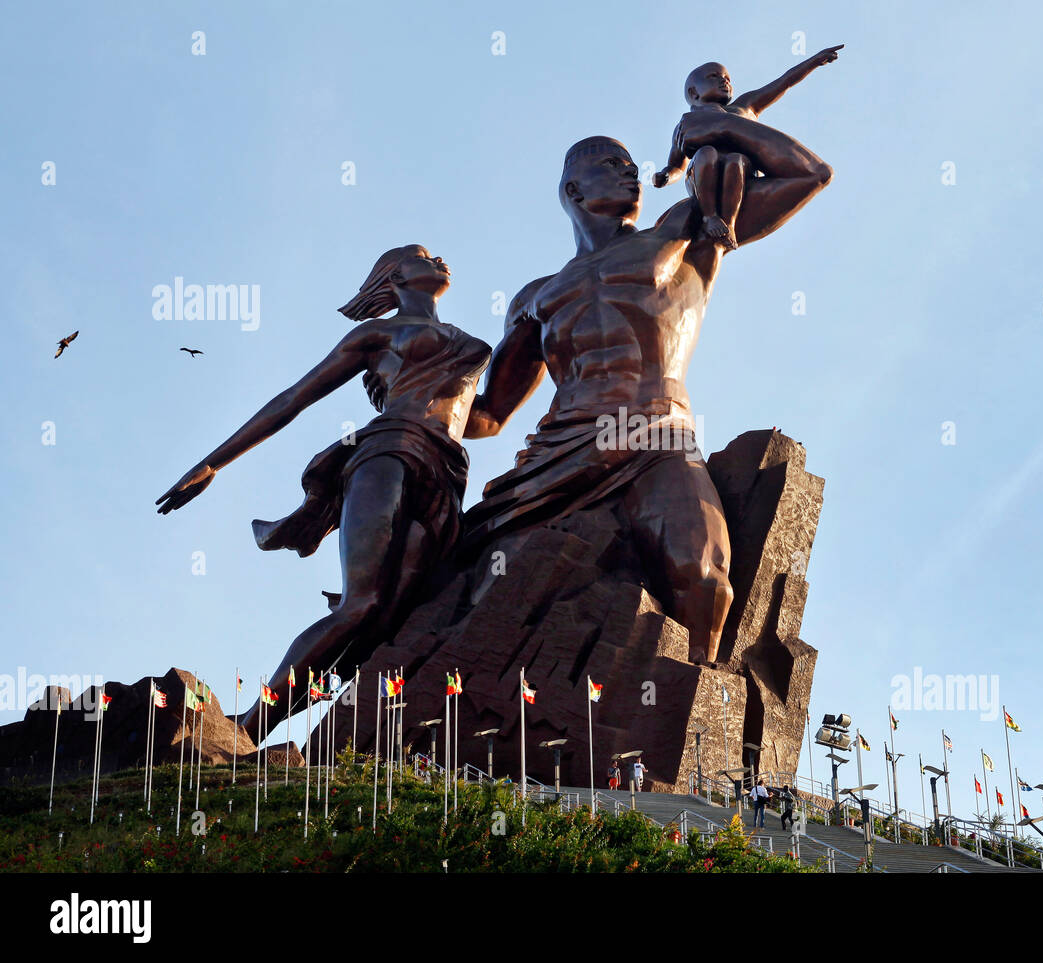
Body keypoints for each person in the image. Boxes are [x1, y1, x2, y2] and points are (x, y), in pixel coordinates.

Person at [464, 119, 834, 664]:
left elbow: (809, 175)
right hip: (559, 452)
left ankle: (694, 718)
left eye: (633, 163)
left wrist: (722, 123)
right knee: (491, 588)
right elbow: (489, 414)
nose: (631, 171)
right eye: (612, 164)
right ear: (574, 190)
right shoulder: (534, 297)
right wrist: (413, 402)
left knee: (704, 579)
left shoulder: (682, 232)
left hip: (656, 432)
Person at [157, 245, 491, 734]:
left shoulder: (468, 341)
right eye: (424, 255)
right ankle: (250, 728)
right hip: (388, 452)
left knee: (387, 620)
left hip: (447, 471)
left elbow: (488, 417)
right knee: (363, 604)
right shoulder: (377, 333)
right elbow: (294, 397)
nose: (440, 258)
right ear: (395, 276)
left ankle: (278, 724)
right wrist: (212, 464)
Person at [653, 46, 843, 249]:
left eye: (727, 77)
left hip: (740, 176)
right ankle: (710, 216)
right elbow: (676, 165)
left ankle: (729, 223)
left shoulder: (743, 106)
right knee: (706, 153)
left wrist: (813, 62)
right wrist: (665, 176)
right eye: (714, 76)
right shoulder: (686, 123)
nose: (724, 80)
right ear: (693, 92)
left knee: (737, 159)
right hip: (705, 175)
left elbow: (783, 83)